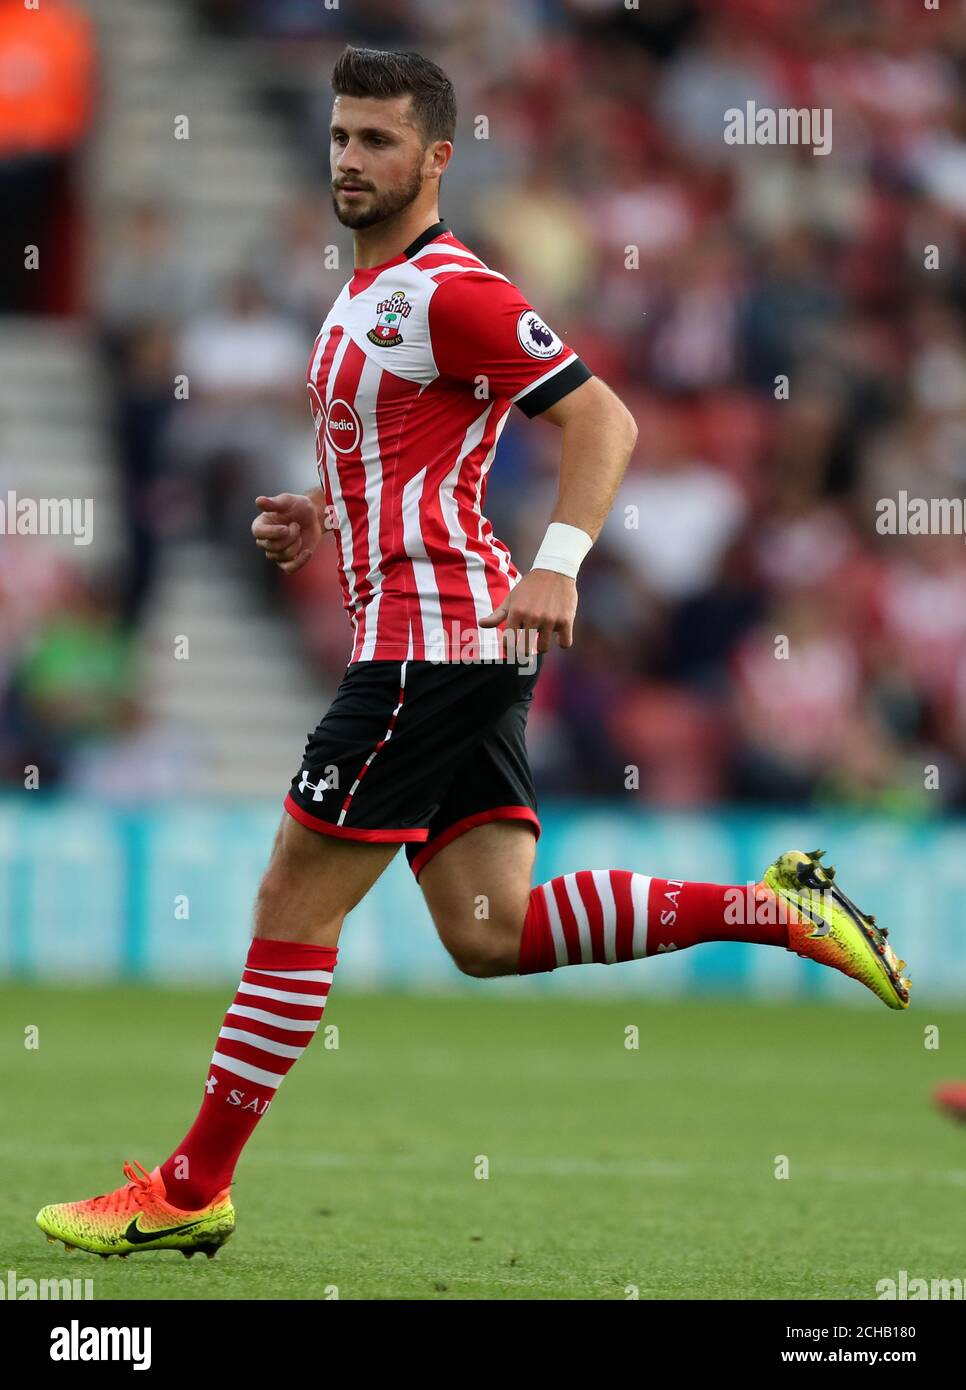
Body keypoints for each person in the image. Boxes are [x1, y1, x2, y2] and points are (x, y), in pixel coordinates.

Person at [36, 46, 911, 1261]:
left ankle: (190, 1186)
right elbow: (415, 458)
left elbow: (605, 418)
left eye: (378, 141)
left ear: (436, 157)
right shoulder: (363, 298)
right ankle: (780, 909)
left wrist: (559, 558)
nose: (350, 159)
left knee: (295, 890)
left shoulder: (456, 290)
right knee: (489, 930)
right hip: (455, 637)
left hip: (432, 642)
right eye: (341, 137)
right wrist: (320, 509)